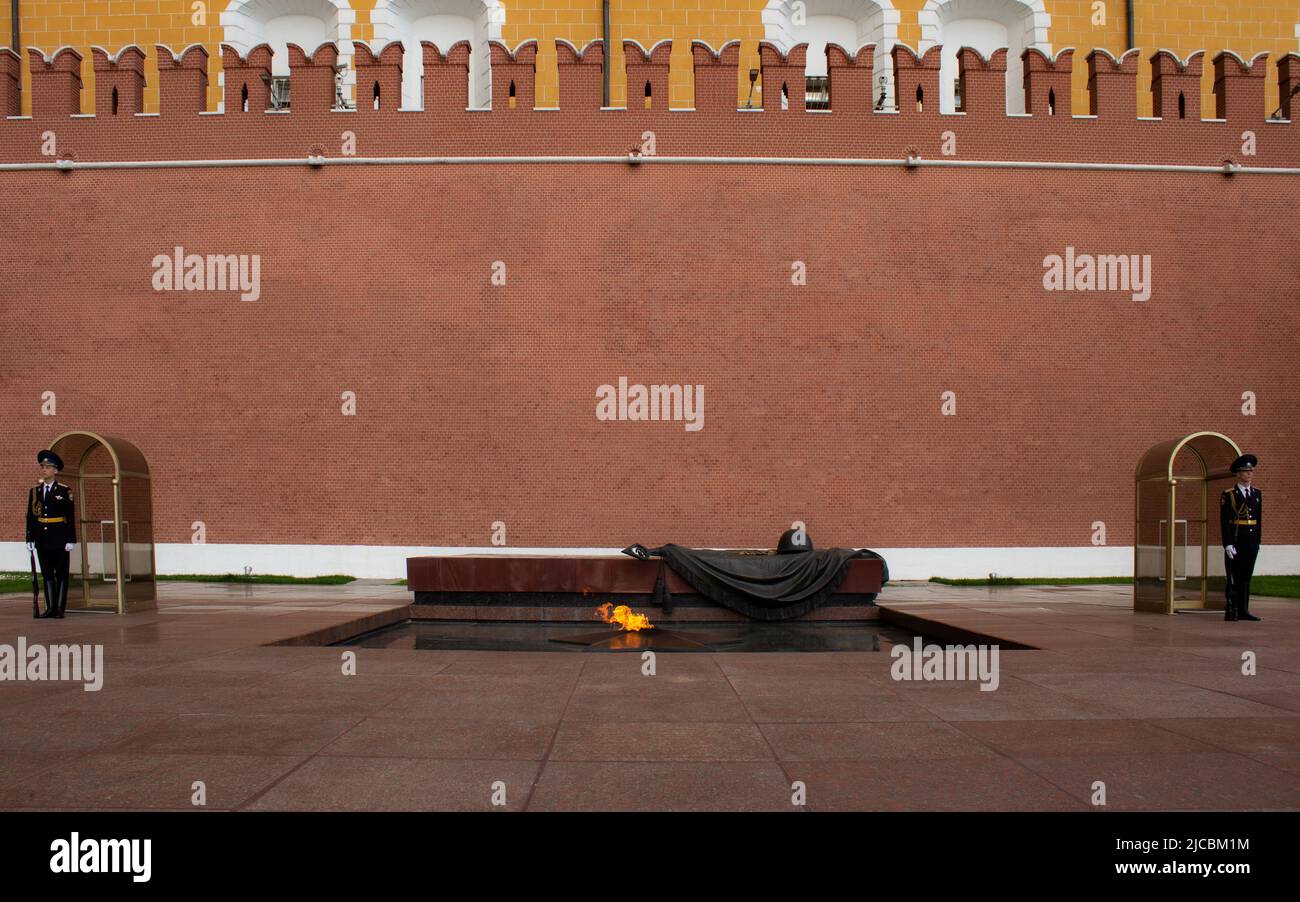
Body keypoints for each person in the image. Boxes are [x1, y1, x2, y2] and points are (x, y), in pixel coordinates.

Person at [25, 449, 76, 619]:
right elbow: (31, 516)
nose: (44, 469)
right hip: (42, 538)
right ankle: (50, 607)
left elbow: (70, 517)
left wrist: (70, 539)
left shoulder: (64, 491)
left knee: (60, 574)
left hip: (59, 538)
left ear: (55, 470)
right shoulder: (35, 492)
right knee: (47, 574)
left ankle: (60, 608)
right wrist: (29, 538)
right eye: (43, 466)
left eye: (48, 467)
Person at [1220, 453, 1261, 622]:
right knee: (1235, 575)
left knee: (1246, 576)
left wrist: (1258, 541)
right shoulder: (1229, 494)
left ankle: (1244, 609)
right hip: (1237, 540)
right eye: (1245, 471)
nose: (1249, 474)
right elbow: (1225, 521)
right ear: (1238, 474)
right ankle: (1233, 608)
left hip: (1251, 541)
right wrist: (1228, 543)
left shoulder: (1257, 493)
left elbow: (1258, 519)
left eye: (1251, 471)